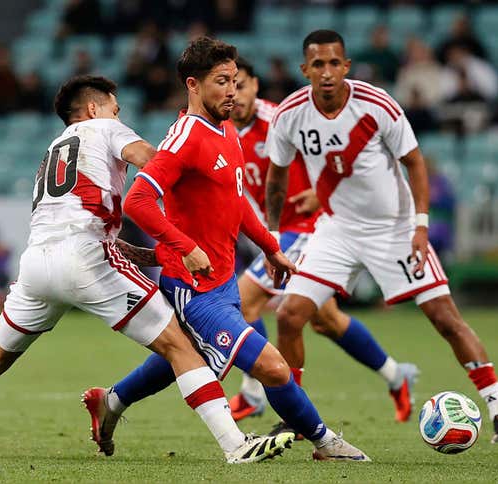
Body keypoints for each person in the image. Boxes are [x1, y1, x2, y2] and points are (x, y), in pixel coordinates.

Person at [0, 75, 293, 464]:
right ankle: (234, 445)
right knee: (180, 346)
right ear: (93, 108)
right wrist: (210, 178)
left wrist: (154, 252)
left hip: (36, 264)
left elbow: (80, 213)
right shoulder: (105, 127)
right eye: (114, 109)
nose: (118, 116)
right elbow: (156, 162)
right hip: (86, 258)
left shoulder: (54, 148)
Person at [82, 37, 370, 462]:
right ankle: (325, 443)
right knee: (273, 367)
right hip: (194, 288)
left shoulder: (226, 128)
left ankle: (110, 401)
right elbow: (138, 200)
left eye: (235, 81)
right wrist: (185, 247)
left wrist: (270, 247)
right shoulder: (185, 138)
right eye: (222, 81)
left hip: (223, 280)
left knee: (184, 355)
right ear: (194, 85)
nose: (232, 91)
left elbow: (235, 202)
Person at [265, 30, 498, 444]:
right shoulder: (290, 114)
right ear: (305, 69)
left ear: (346, 66)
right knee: (288, 315)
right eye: (318, 64)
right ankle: (296, 416)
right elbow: (276, 179)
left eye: (334, 63)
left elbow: (416, 163)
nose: (327, 72)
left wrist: (420, 226)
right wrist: (273, 237)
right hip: (337, 228)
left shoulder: (376, 103)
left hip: (395, 227)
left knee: (445, 319)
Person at [225, 57, 419, 427]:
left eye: (242, 84)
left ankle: (253, 392)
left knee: (243, 301)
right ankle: (397, 375)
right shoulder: (224, 129)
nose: (236, 94)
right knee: (325, 320)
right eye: (229, 86)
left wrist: (321, 191)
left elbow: (336, 149)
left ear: (255, 86)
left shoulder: (277, 119)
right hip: (279, 230)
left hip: (310, 227)